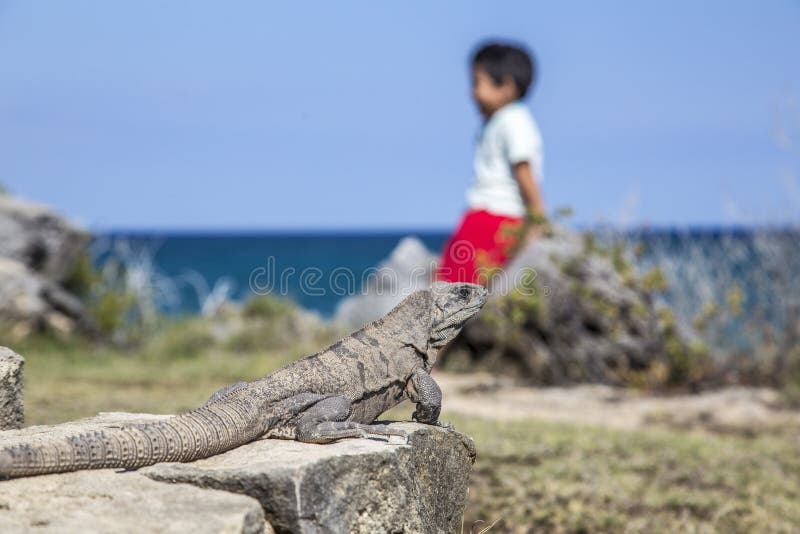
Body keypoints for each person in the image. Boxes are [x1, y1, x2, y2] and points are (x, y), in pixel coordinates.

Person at [436, 41, 545, 285]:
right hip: (486, 217)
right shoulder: (499, 121)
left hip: (495, 219)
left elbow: (523, 168)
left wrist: (537, 217)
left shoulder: (514, 121)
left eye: (477, 83)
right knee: (453, 287)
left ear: (506, 86)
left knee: (453, 291)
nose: (472, 92)